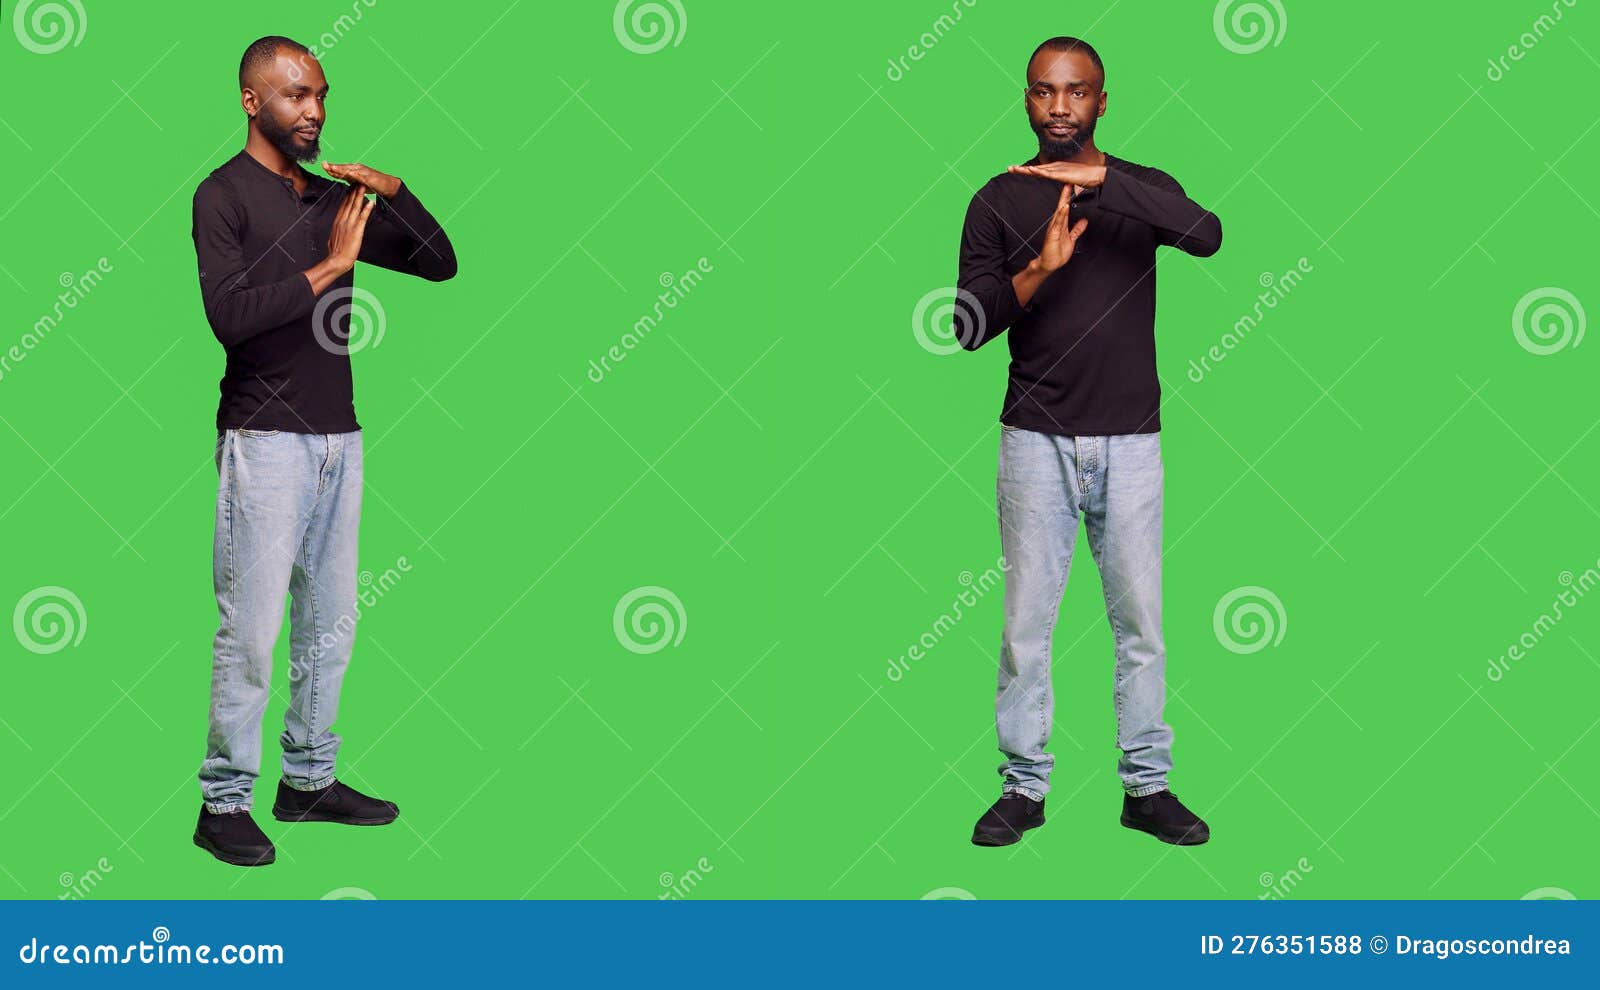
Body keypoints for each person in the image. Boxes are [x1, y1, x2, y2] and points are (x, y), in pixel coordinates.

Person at [189, 35, 457, 867]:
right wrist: (331, 266)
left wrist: (398, 193)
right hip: (264, 439)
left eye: (322, 95)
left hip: (340, 436)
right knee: (253, 632)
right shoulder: (221, 195)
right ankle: (222, 802)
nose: (315, 111)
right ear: (252, 101)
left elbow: (439, 264)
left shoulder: (324, 198)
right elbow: (229, 315)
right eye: (298, 95)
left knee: (328, 627)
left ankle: (307, 783)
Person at [956, 36, 1221, 847]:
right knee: (1025, 626)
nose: (1060, 106)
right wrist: (1038, 269)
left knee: (1140, 621)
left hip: (1133, 440)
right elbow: (966, 325)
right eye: (1044, 92)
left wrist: (1101, 182)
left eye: (1077, 92)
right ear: (1026, 101)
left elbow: (1208, 233)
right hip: (1035, 439)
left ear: (1102, 102)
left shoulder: (1141, 190)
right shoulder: (998, 199)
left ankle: (1147, 787)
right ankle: (1023, 789)